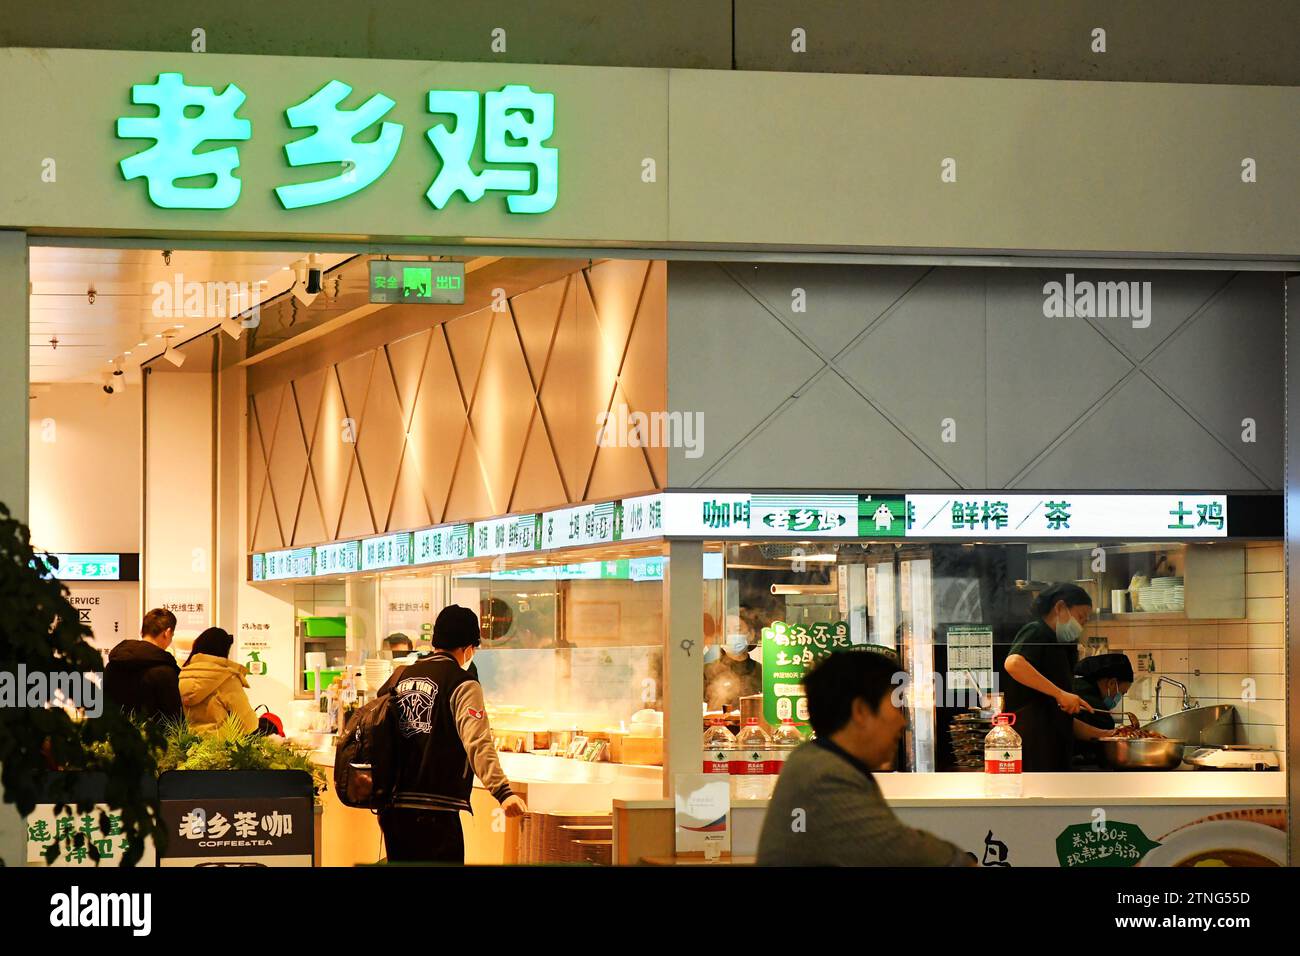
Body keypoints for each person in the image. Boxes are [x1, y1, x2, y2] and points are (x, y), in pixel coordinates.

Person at [757, 649, 972, 866]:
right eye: (896, 706)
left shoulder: (818, 761)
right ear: (860, 710)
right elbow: (896, 848)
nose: (902, 722)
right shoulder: (824, 775)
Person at [377, 604, 526, 863]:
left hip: (394, 810)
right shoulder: (462, 682)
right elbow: (477, 741)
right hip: (436, 811)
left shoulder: (401, 677)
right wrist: (502, 791)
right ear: (468, 647)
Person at [1001, 583, 1097, 772]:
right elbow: (1013, 663)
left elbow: (1060, 712)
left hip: (1054, 750)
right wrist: (1060, 694)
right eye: (1080, 617)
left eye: (1085, 620)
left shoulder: (1062, 644)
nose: (1082, 624)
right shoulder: (1037, 631)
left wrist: (1106, 735)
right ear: (1060, 607)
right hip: (1034, 749)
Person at [103, 608, 183, 723]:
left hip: (115, 737)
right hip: (154, 739)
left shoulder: (114, 664)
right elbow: (174, 720)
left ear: (142, 632)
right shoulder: (165, 671)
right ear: (167, 633)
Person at [179, 627, 259, 734]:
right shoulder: (226, 679)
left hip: (189, 745)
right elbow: (248, 724)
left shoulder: (183, 676)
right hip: (221, 747)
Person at [1072, 653, 1135, 764]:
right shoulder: (1099, 714)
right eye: (1122, 693)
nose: (1119, 698)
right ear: (1111, 683)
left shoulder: (1072, 685)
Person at [703, 611, 762, 711]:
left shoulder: (762, 672)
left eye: (738, 630)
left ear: (751, 635)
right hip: (717, 726)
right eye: (727, 631)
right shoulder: (707, 671)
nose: (732, 635)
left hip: (752, 726)